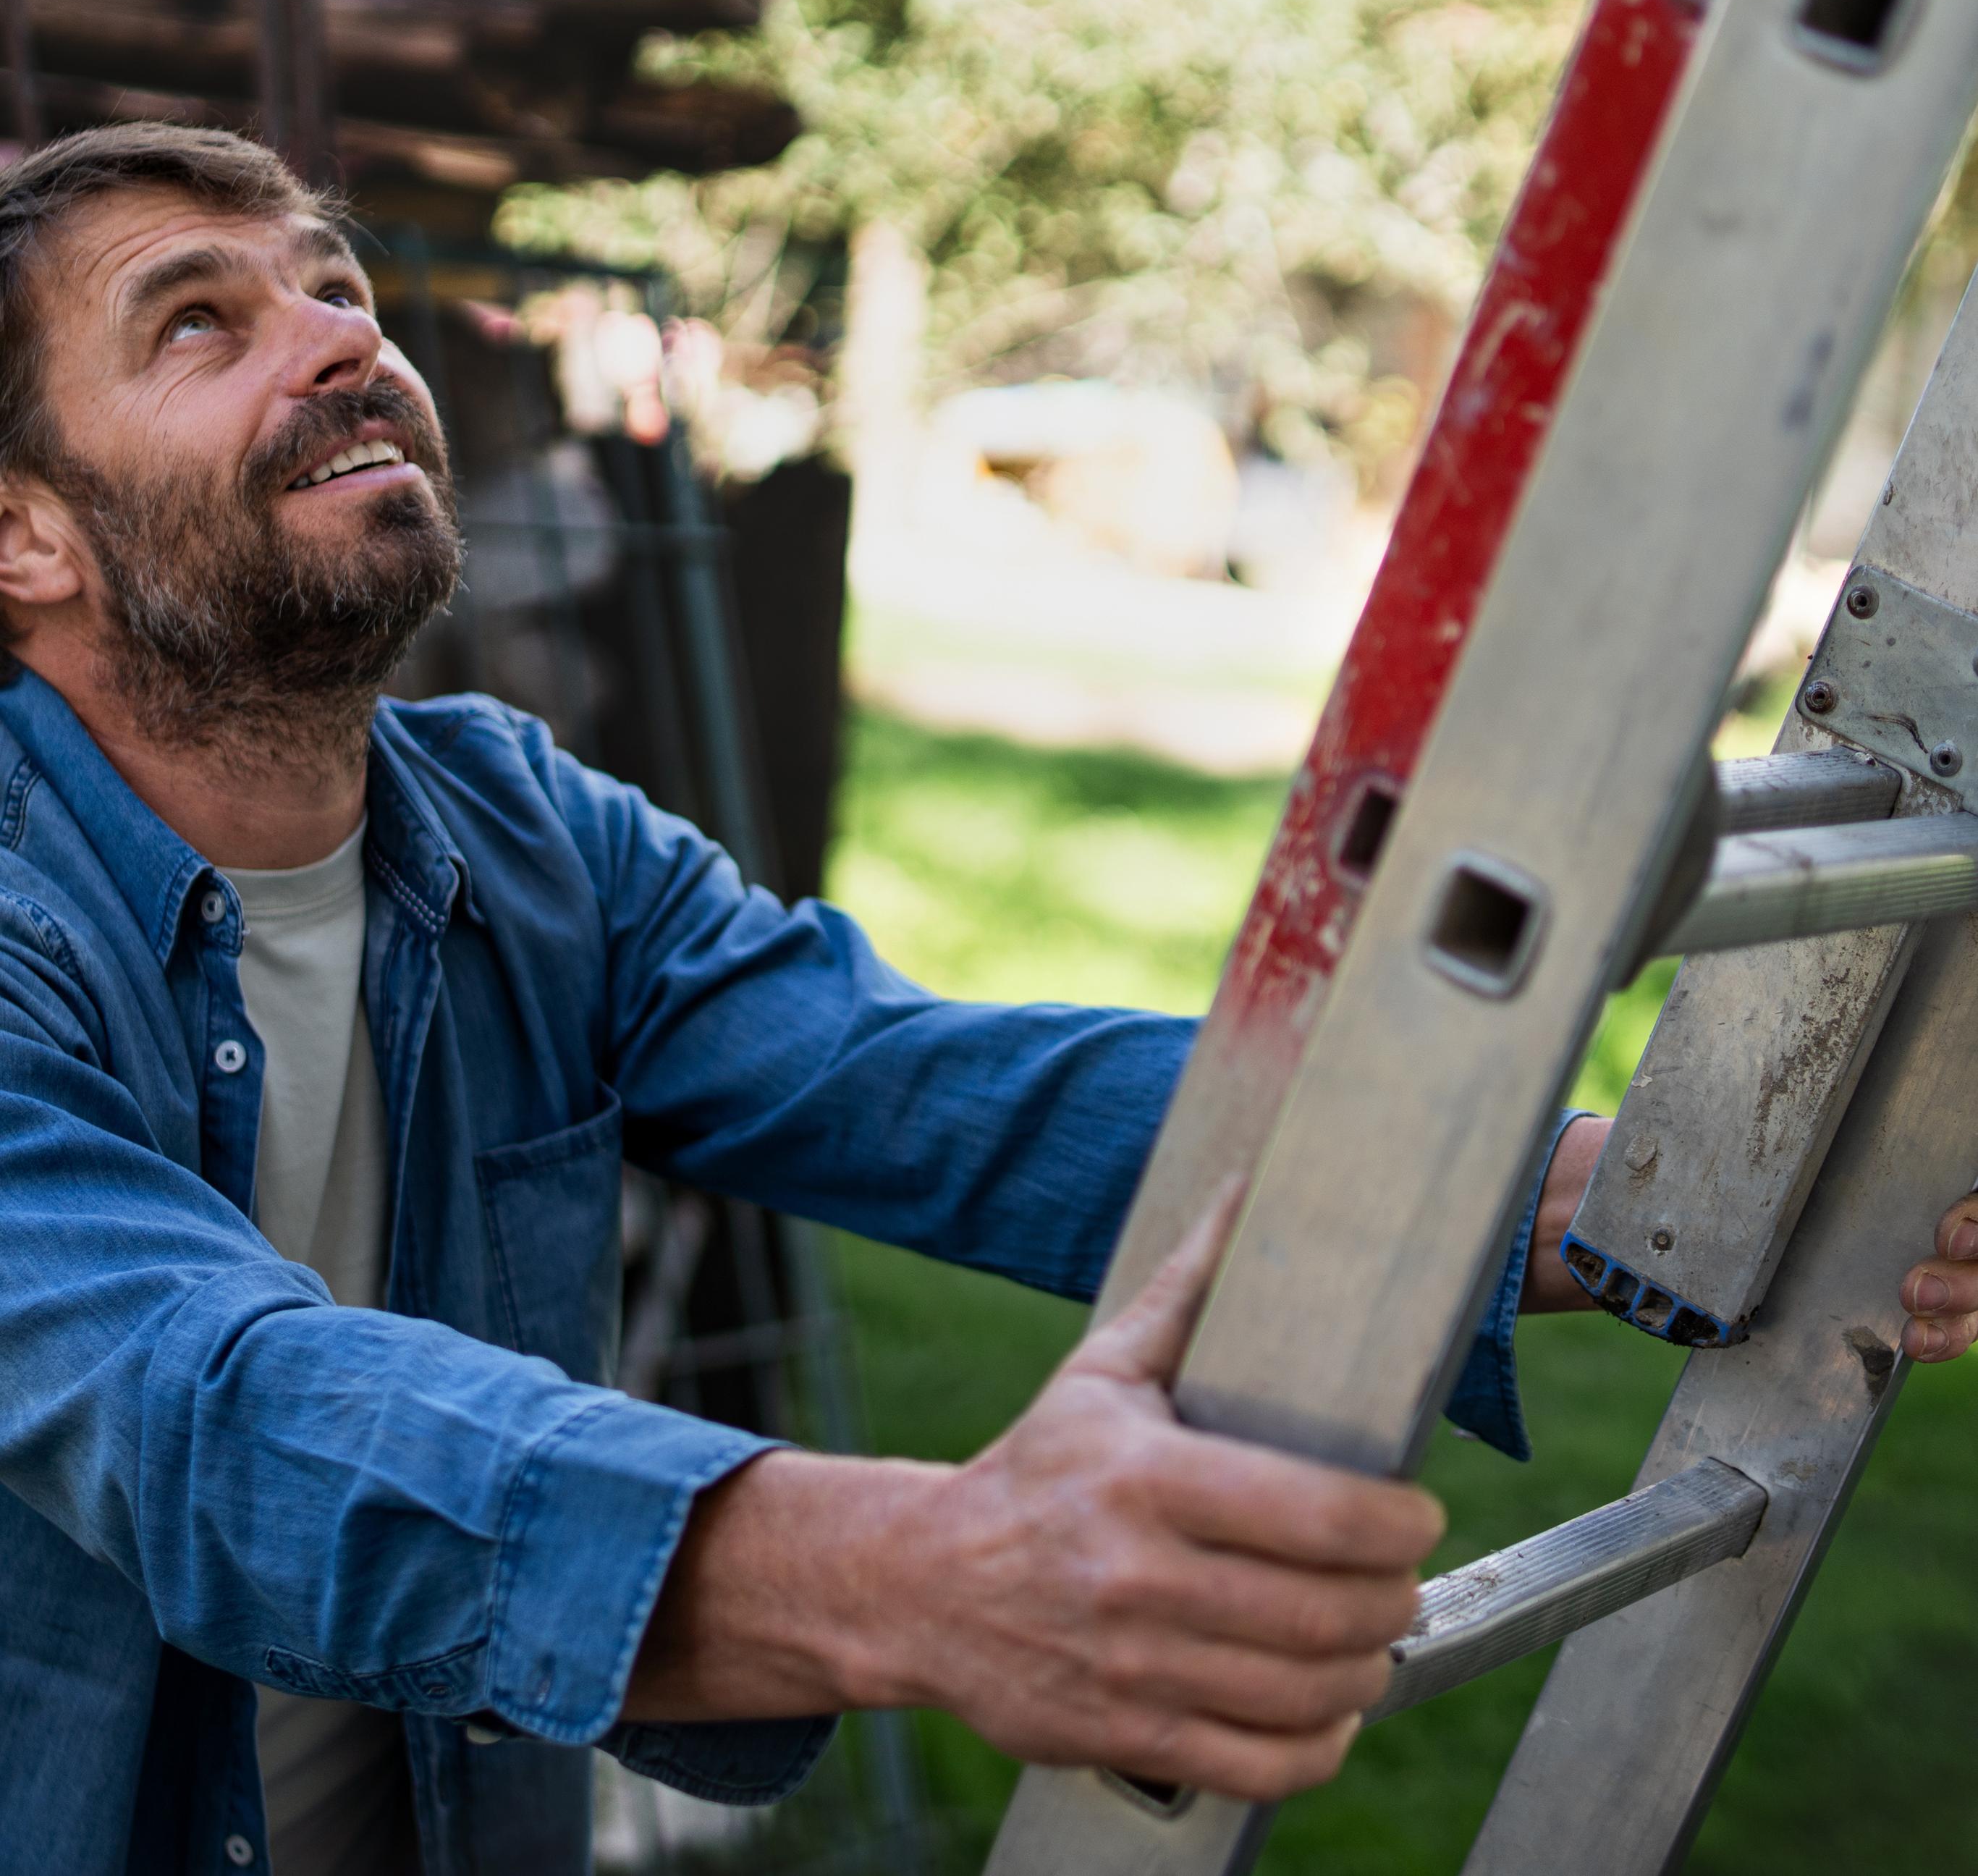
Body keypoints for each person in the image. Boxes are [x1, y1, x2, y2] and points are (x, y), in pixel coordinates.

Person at [0, 125, 1964, 1876]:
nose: (341, 340)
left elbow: (925, 1089)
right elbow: (202, 1413)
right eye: (199, 323)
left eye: (336, 285)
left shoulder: (518, 833)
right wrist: (918, 1577)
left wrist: (1623, 1202)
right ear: (25, 532)